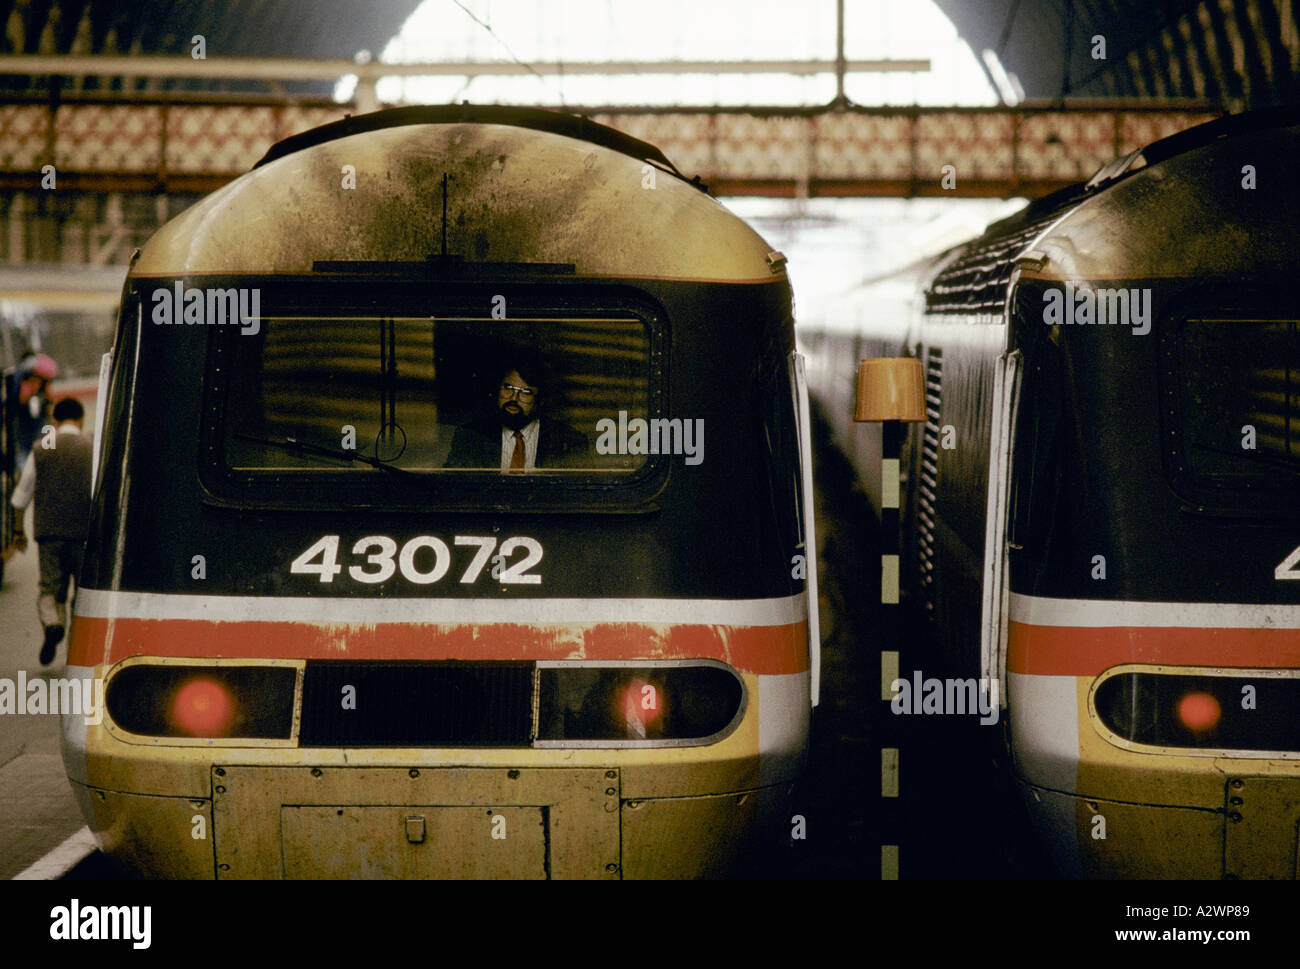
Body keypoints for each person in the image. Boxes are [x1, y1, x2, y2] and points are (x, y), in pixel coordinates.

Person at [10, 397, 92, 666]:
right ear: (80, 419)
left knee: (49, 589)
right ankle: (76, 648)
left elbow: (20, 498)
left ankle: (52, 623)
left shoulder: (42, 447)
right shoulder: (93, 447)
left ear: (54, 421)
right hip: (84, 536)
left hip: (49, 535)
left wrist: (18, 532)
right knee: (82, 593)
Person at [444, 355, 587, 471]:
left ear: (540, 400)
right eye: (508, 388)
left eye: (525, 392)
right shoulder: (469, 436)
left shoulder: (568, 440)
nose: (513, 398)